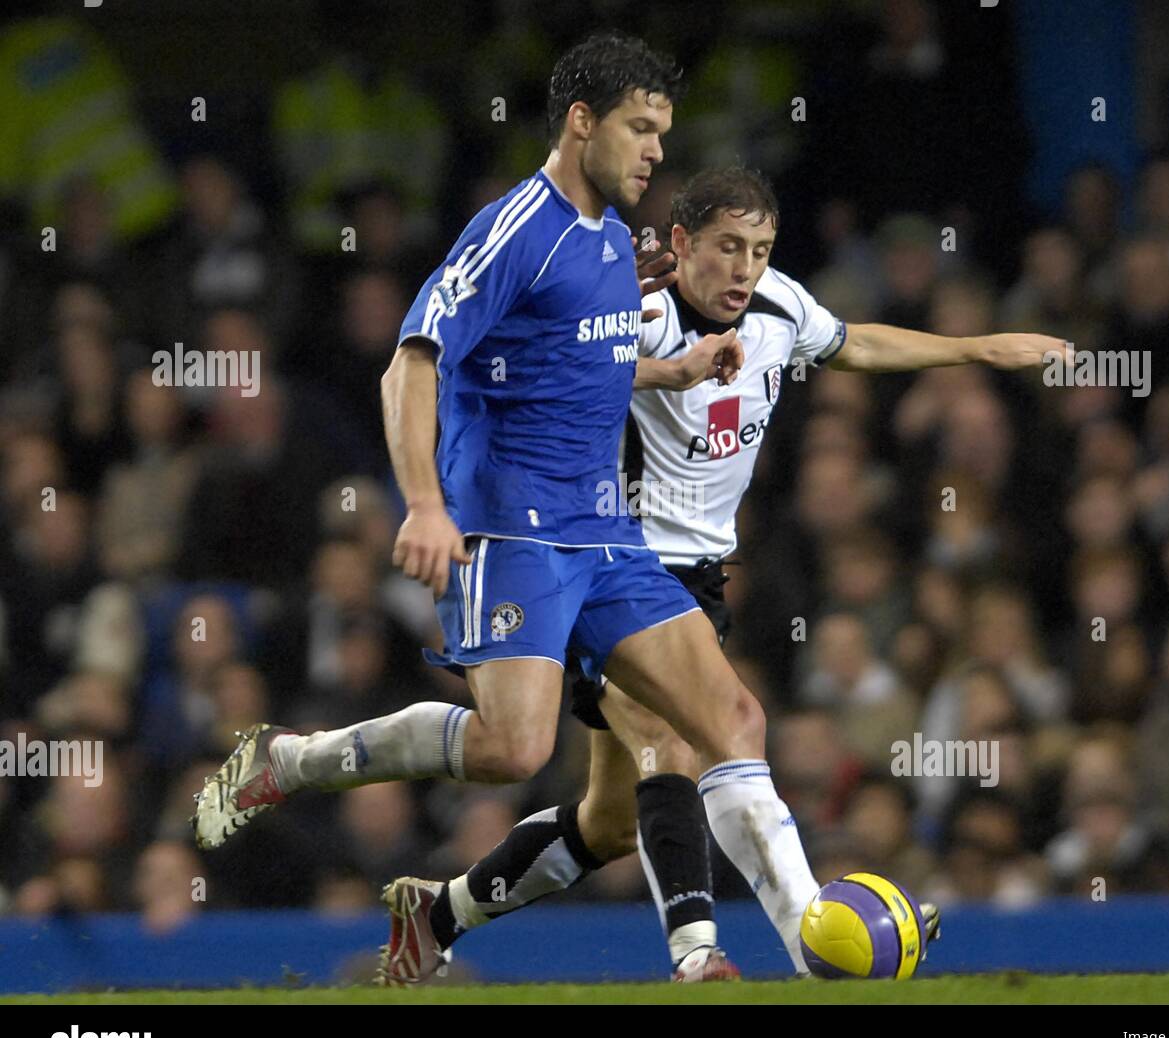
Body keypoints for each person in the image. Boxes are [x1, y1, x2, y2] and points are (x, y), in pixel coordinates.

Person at [192, 33, 820, 985]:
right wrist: (422, 506)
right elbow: (411, 363)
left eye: (663, 132)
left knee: (731, 717)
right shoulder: (513, 230)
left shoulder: (614, 240)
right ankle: (295, 757)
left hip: (605, 531)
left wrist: (670, 367)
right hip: (511, 528)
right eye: (640, 129)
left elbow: (577, 364)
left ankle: (767, 949)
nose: (656, 152)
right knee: (511, 748)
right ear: (581, 122)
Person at [411, 164, 1066, 975]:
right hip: (609, 563)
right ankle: (755, 947)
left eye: (759, 248)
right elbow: (558, 372)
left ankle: (439, 911)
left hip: (697, 577)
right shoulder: (637, 316)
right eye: (728, 246)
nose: (745, 266)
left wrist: (976, 348)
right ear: (682, 244)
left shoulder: (783, 305)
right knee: (679, 739)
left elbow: (852, 342)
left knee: (613, 820)